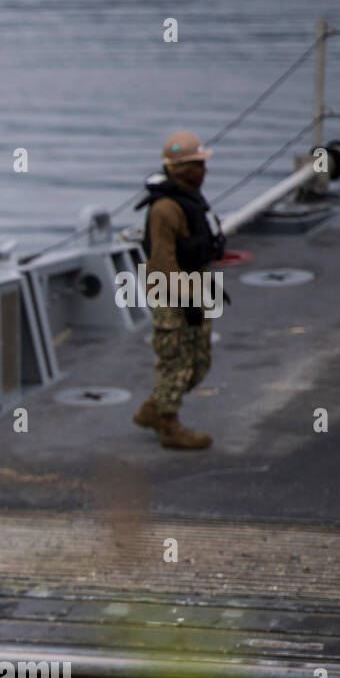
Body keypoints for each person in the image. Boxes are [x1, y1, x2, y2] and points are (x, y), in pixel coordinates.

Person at [132, 130, 227, 449]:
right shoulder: (164, 209)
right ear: (184, 169)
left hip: (195, 287)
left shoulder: (192, 201)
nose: (204, 170)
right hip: (173, 294)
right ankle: (169, 426)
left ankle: (154, 408)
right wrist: (187, 300)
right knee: (176, 361)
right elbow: (163, 264)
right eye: (198, 165)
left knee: (199, 364)